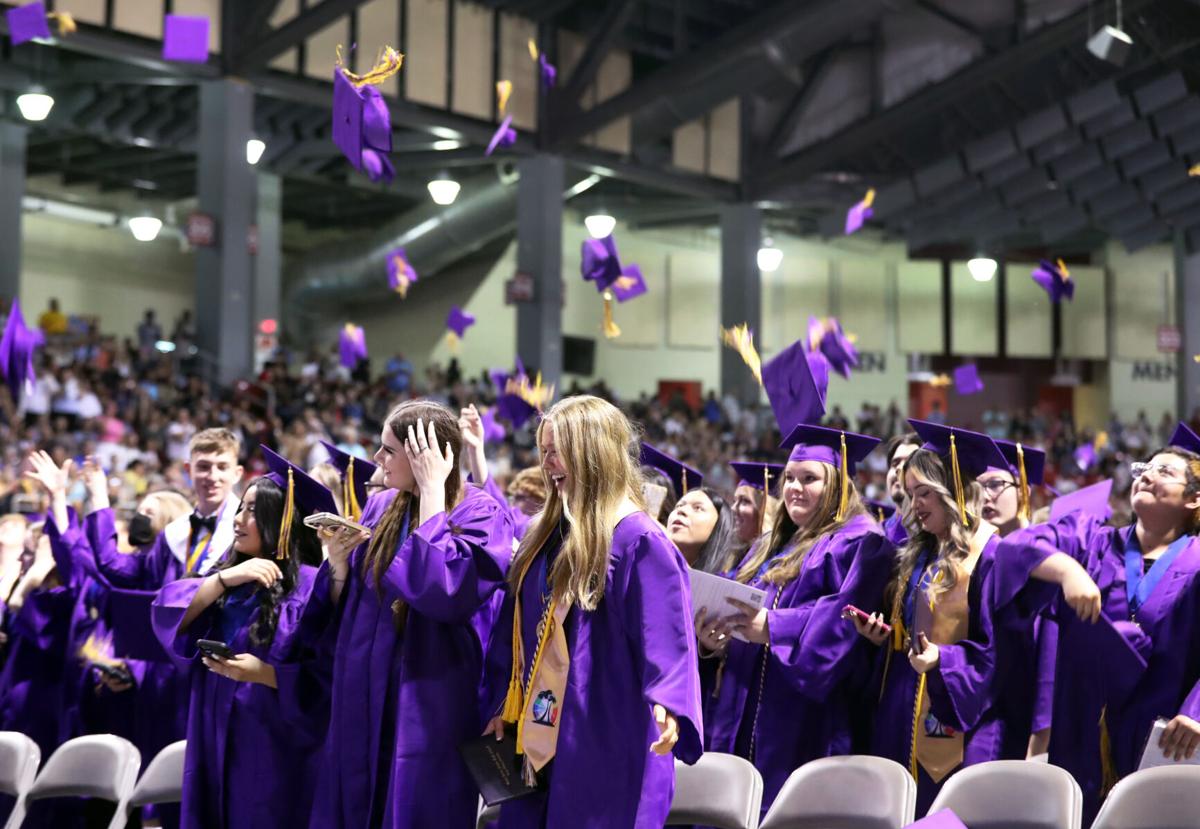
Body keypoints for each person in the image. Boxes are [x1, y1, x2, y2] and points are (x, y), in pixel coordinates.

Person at [483, 395, 703, 828]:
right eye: (543, 451)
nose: (546, 463)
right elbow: (518, 628)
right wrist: (501, 704)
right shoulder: (546, 537)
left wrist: (668, 705)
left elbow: (668, 635)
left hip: (604, 733)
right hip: (537, 735)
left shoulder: (638, 540)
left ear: (592, 451)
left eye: (556, 450)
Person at [310, 400, 514, 828]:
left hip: (429, 694)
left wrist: (434, 495)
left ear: (426, 456)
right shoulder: (382, 507)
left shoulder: (482, 512)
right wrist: (340, 565)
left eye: (388, 450)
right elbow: (356, 604)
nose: (377, 459)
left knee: (418, 804)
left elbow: (442, 591)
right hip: (366, 688)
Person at [990, 423, 1200, 823]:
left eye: (1165, 472)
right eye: (1144, 469)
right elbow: (1016, 547)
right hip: (1085, 725)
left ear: (1194, 498)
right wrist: (1068, 570)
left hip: (1165, 730)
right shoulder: (1091, 541)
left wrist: (1197, 711)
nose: (1146, 476)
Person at [699, 423, 893, 817]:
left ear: (838, 485)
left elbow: (843, 616)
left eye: (810, 478)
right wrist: (716, 637)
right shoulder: (772, 545)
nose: (794, 488)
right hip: (743, 710)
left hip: (805, 720)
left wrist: (772, 626)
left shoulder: (861, 542)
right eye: (789, 478)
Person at [152, 448, 330, 828]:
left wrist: (265, 674)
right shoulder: (228, 579)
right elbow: (168, 610)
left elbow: (328, 676)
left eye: (253, 511)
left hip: (272, 741)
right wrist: (222, 579)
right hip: (213, 728)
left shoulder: (313, 585)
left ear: (280, 523)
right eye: (241, 509)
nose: (239, 519)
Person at [852, 420, 1009, 813]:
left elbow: (999, 652)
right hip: (900, 704)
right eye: (909, 494)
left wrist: (945, 660)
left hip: (954, 708)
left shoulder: (990, 553)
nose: (914, 504)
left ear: (953, 490)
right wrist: (882, 637)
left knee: (942, 813)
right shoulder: (917, 553)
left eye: (925, 493)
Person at [976, 440, 1057, 760]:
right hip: (981, 706)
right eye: (977, 487)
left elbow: (1050, 654)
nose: (985, 497)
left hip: (1028, 710)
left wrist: (1040, 738)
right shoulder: (974, 555)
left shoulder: (1046, 553)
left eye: (995, 485)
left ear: (1023, 489)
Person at [89, 428, 243, 587]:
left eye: (222, 467)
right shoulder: (172, 534)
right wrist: (98, 493)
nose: (213, 477)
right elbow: (117, 568)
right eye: (203, 467)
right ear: (188, 470)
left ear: (237, 473)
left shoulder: (250, 528)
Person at [666, 486, 735, 573]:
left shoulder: (718, 585)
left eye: (698, 508)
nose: (681, 510)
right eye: (679, 505)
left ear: (718, 523)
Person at [727, 461, 784, 556]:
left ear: (766, 510)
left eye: (745, 501)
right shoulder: (734, 558)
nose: (733, 508)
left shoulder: (776, 561)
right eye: (734, 501)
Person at [882, 432, 921, 546]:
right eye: (895, 463)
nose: (900, 468)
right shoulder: (877, 534)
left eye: (910, 462)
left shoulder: (939, 536)